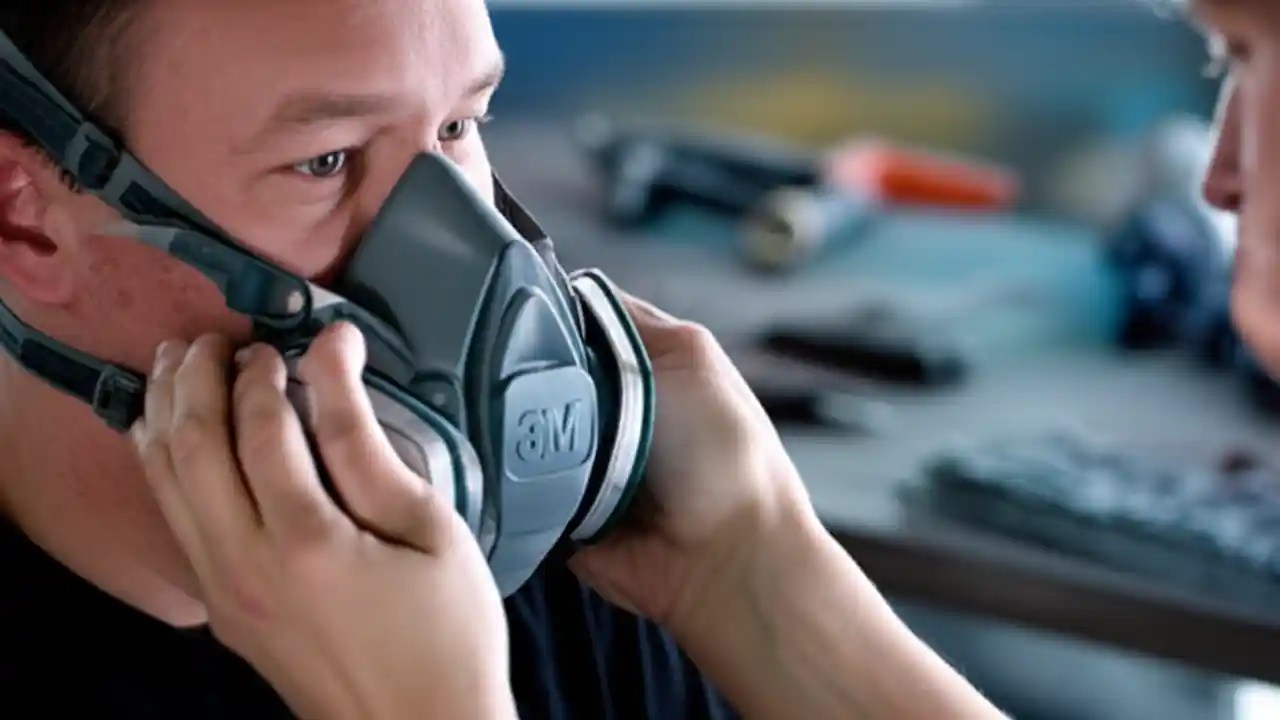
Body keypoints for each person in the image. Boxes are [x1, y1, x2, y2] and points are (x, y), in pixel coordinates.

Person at [0, 1, 731, 717]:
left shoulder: (576, 586)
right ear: (25, 221)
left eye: (458, 126)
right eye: (326, 160)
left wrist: (751, 575)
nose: (469, 243)